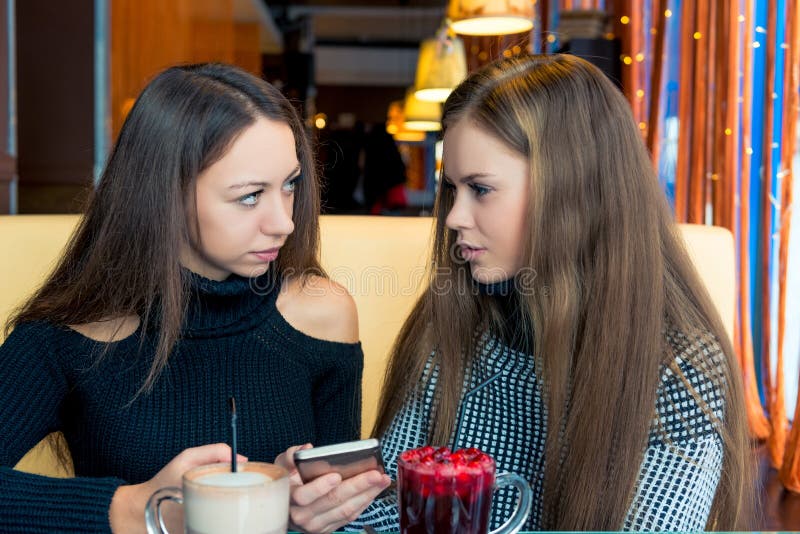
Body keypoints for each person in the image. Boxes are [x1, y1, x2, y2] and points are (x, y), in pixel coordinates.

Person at [283, 53, 755, 532]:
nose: (453, 217)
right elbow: (392, 509)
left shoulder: (680, 370)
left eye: (481, 190)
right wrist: (328, 511)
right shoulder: (453, 319)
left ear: (571, 191)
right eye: (452, 190)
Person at [0, 63, 373, 532]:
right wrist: (135, 509)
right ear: (164, 194)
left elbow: (342, 516)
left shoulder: (324, 315)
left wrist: (305, 507)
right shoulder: (66, 337)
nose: (284, 222)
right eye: (250, 196)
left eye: (290, 184)